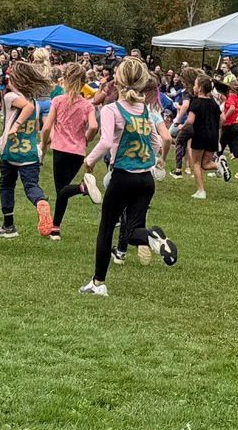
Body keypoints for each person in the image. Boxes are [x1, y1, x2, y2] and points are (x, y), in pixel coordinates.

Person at [79, 56, 177, 296]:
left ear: (118, 82)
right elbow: (156, 140)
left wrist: (89, 162)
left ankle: (98, 283)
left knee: (106, 228)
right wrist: (150, 159)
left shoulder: (113, 109)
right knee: (133, 232)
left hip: (123, 176)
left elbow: (104, 141)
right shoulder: (146, 109)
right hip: (146, 179)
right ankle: (154, 239)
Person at [40, 61, 101, 241]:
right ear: (84, 83)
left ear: (65, 80)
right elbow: (94, 126)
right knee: (63, 190)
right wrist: (86, 139)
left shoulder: (58, 101)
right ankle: (56, 228)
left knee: (62, 189)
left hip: (60, 149)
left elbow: (46, 127)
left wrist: (43, 145)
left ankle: (83, 188)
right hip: (78, 151)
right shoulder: (87, 105)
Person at [0, 59, 54, 238]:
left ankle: (8, 225)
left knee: (6, 185)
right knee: (31, 186)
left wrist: (15, 126)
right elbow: (36, 125)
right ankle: (41, 202)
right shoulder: (36, 103)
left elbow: (25, 108)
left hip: (11, 151)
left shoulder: (10, 98)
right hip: (30, 152)